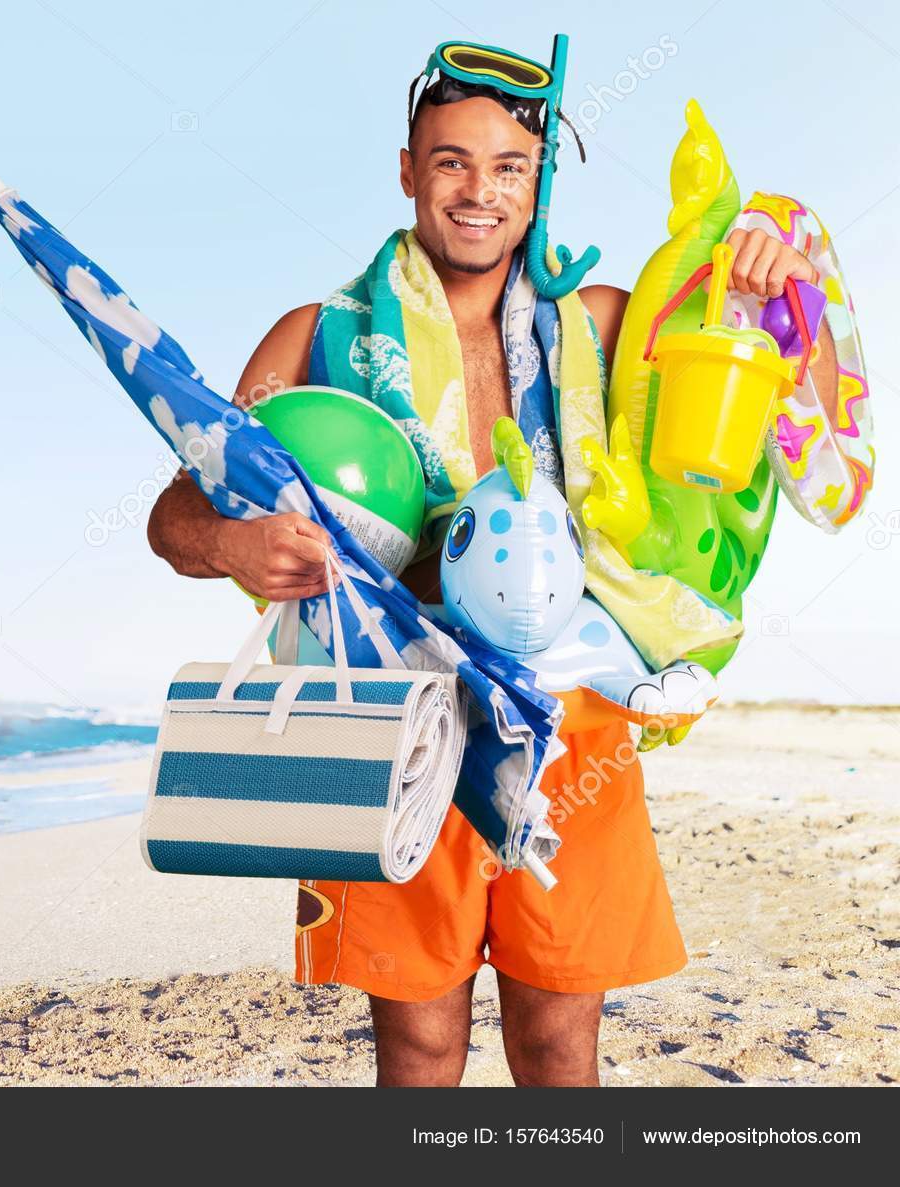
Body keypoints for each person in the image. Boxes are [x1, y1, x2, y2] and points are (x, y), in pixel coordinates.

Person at [144, 47, 835, 1087]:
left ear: (540, 177)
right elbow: (175, 510)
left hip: (571, 724)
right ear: (407, 168)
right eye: (452, 162)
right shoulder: (317, 337)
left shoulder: (601, 325)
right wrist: (231, 541)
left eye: (510, 167)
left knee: (559, 1044)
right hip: (388, 725)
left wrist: (767, 253)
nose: (480, 192)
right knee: (418, 1047)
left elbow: (778, 379)